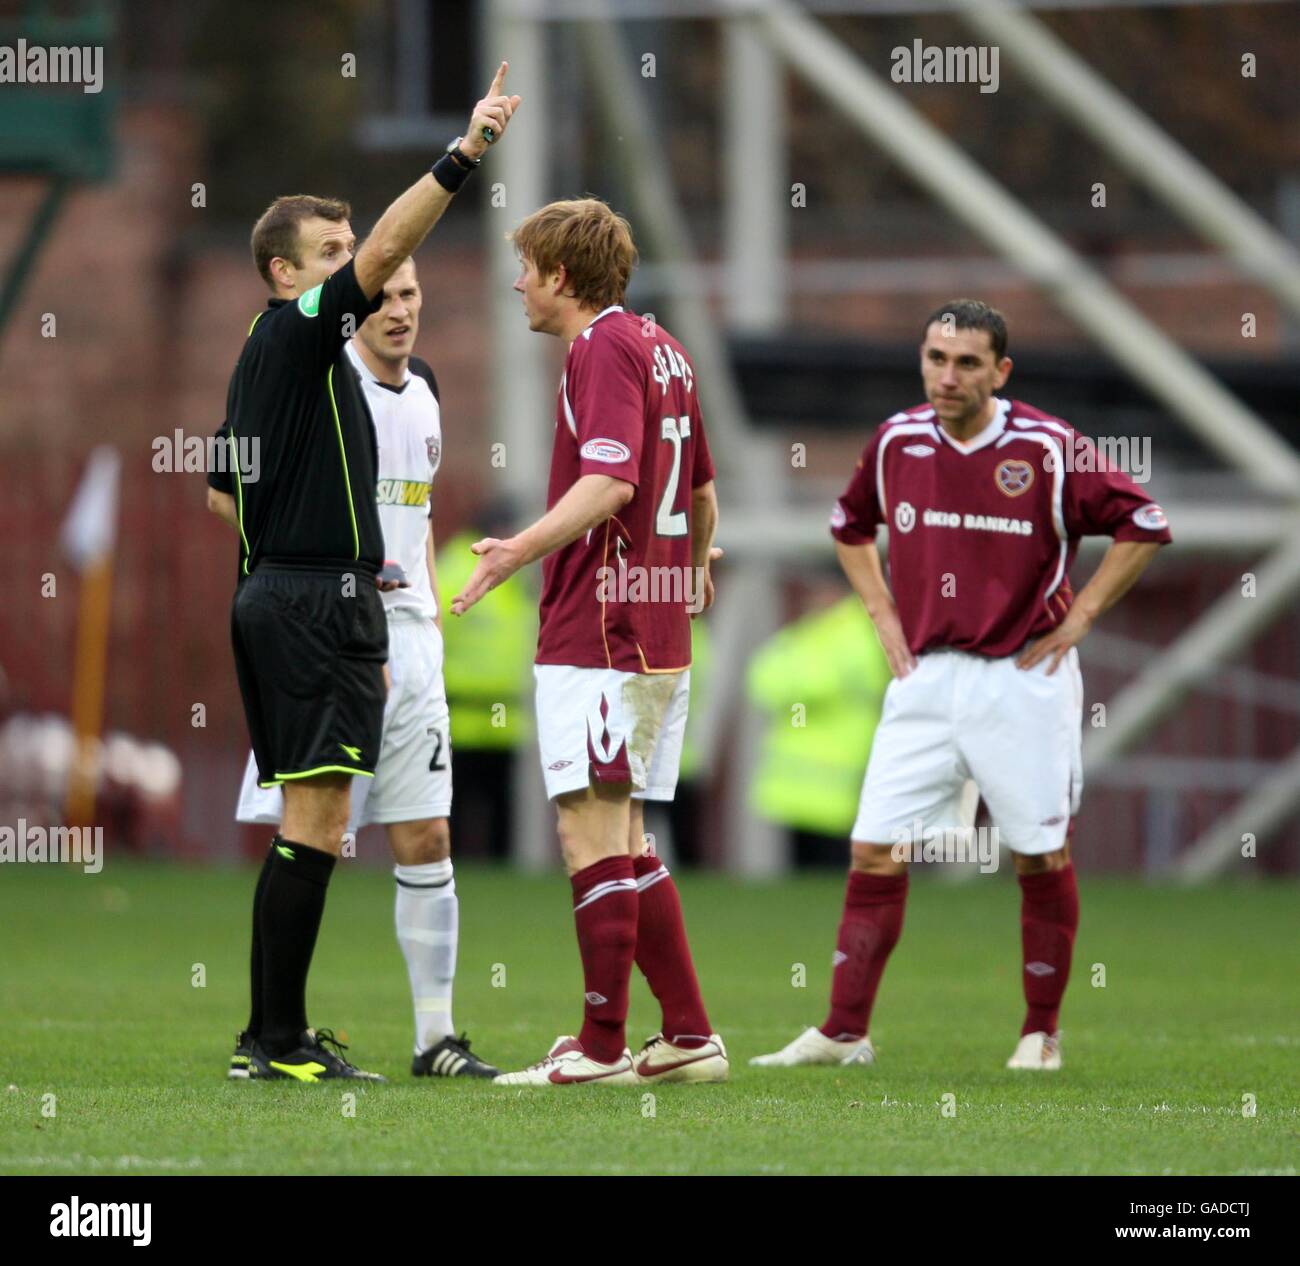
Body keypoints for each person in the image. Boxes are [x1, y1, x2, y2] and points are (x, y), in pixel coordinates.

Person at [752, 299, 1171, 1073]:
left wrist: (1079, 618)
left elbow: (1142, 521)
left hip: (1023, 677)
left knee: (1037, 857)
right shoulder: (897, 439)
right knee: (875, 850)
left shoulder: (1047, 447)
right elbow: (849, 526)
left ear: (1000, 371)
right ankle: (845, 1031)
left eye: (967, 362)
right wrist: (880, 611)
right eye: (936, 358)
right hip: (925, 678)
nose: (948, 375)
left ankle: (1040, 1033)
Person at [214, 64, 519, 1083]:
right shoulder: (300, 338)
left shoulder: (331, 364)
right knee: (315, 822)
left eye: (354, 251)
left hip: (333, 605)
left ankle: (299, 1037)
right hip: (313, 604)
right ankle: (273, 1040)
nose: (362, 271)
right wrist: (465, 153)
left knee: (331, 822)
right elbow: (395, 243)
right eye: (334, 257)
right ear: (282, 275)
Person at [452, 198, 727, 1087]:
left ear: (561, 276)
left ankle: (603, 1048)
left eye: (527, 266)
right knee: (630, 833)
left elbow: (611, 483)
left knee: (589, 834)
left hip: (604, 629)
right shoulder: (664, 345)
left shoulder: (601, 347)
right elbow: (701, 488)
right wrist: (688, 572)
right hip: (653, 629)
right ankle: (685, 1035)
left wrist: (514, 552)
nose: (518, 283)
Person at [746, 587, 893, 865]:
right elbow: (761, 680)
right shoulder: (811, 628)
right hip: (795, 785)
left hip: (838, 782)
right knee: (802, 879)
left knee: (835, 869)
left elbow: (817, 681)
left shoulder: (860, 631)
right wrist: (793, 682)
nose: (813, 596)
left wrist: (791, 681)